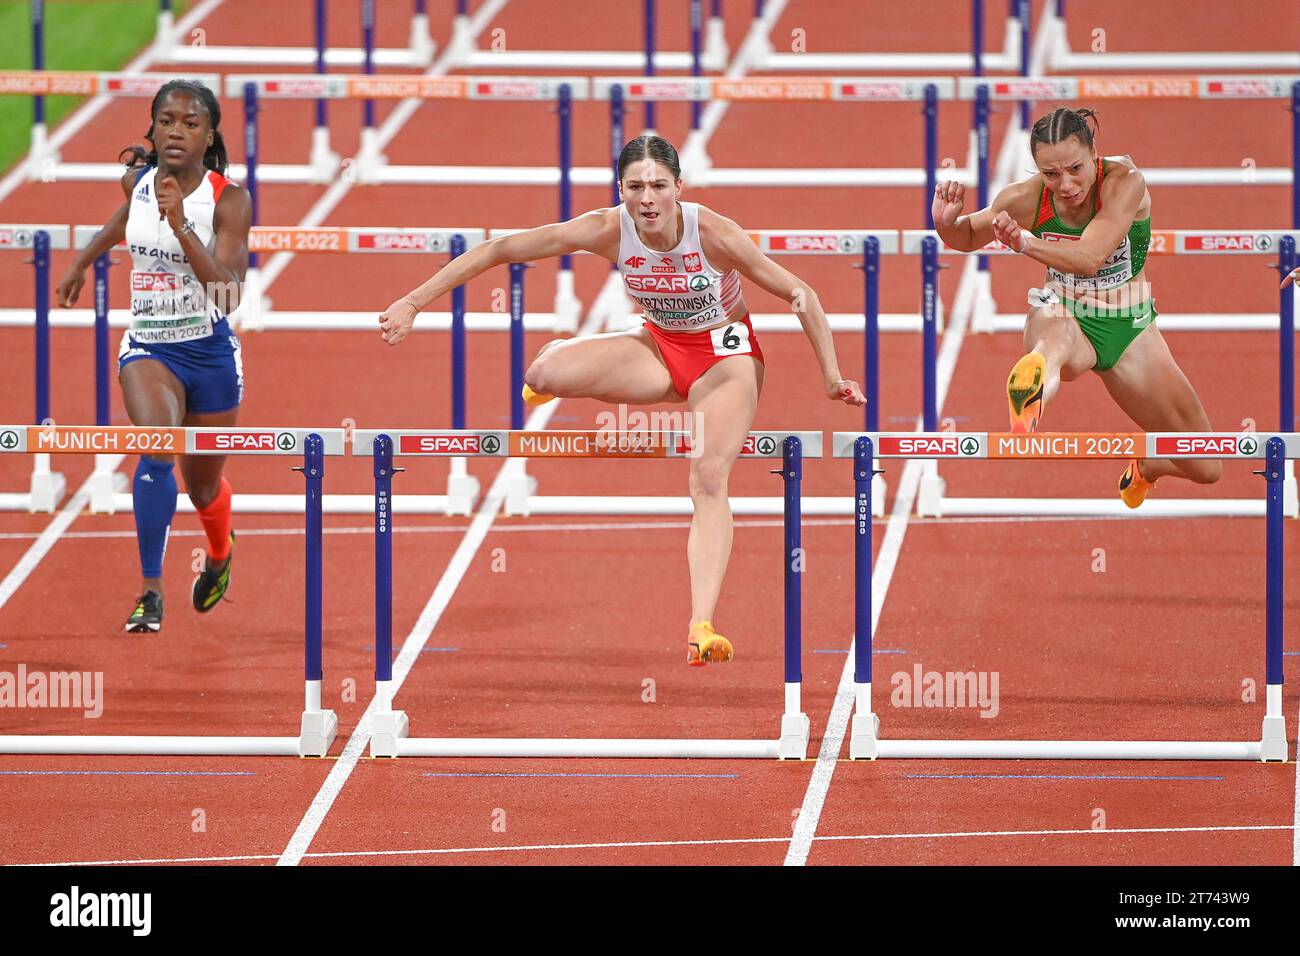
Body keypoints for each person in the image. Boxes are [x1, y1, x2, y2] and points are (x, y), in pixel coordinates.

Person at [379, 134, 865, 665]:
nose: (648, 198)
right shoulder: (608, 229)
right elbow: (501, 249)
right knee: (545, 372)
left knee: (707, 476)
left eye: (659, 186)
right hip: (658, 347)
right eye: (635, 187)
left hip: (725, 358)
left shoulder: (716, 235)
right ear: (621, 190)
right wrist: (412, 301)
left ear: (679, 187)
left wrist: (831, 375)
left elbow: (802, 294)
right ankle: (560, 360)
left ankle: (701, 623)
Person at [932, 107, 1221, 507]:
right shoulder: (1023, 199)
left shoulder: (1126, 183)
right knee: (1054, 340)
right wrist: (946, 223)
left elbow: (1090, 257)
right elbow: (967, 236)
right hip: (1063, 309)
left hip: (1129, 323)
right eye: (1050, 174)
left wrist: (1026, 243)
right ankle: (1032, 391)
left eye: (1074, 169)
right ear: (1036, 169)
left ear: (1094, 153)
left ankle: (1148, 468)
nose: (1065, 184)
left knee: (1208, 467)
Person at [57, 80, 251, 632]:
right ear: (153, 125)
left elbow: (229, 294)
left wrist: (182, 225)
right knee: (156, 450)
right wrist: (82, 261)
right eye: (166, 120)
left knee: (203, 487)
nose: (176, 131)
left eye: (190, 123)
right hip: (149, 347)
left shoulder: (229, 200)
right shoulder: (137, 182)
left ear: (208, 134)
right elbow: (125, 221)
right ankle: (151, 590)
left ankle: (218, 555)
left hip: (210, 354)